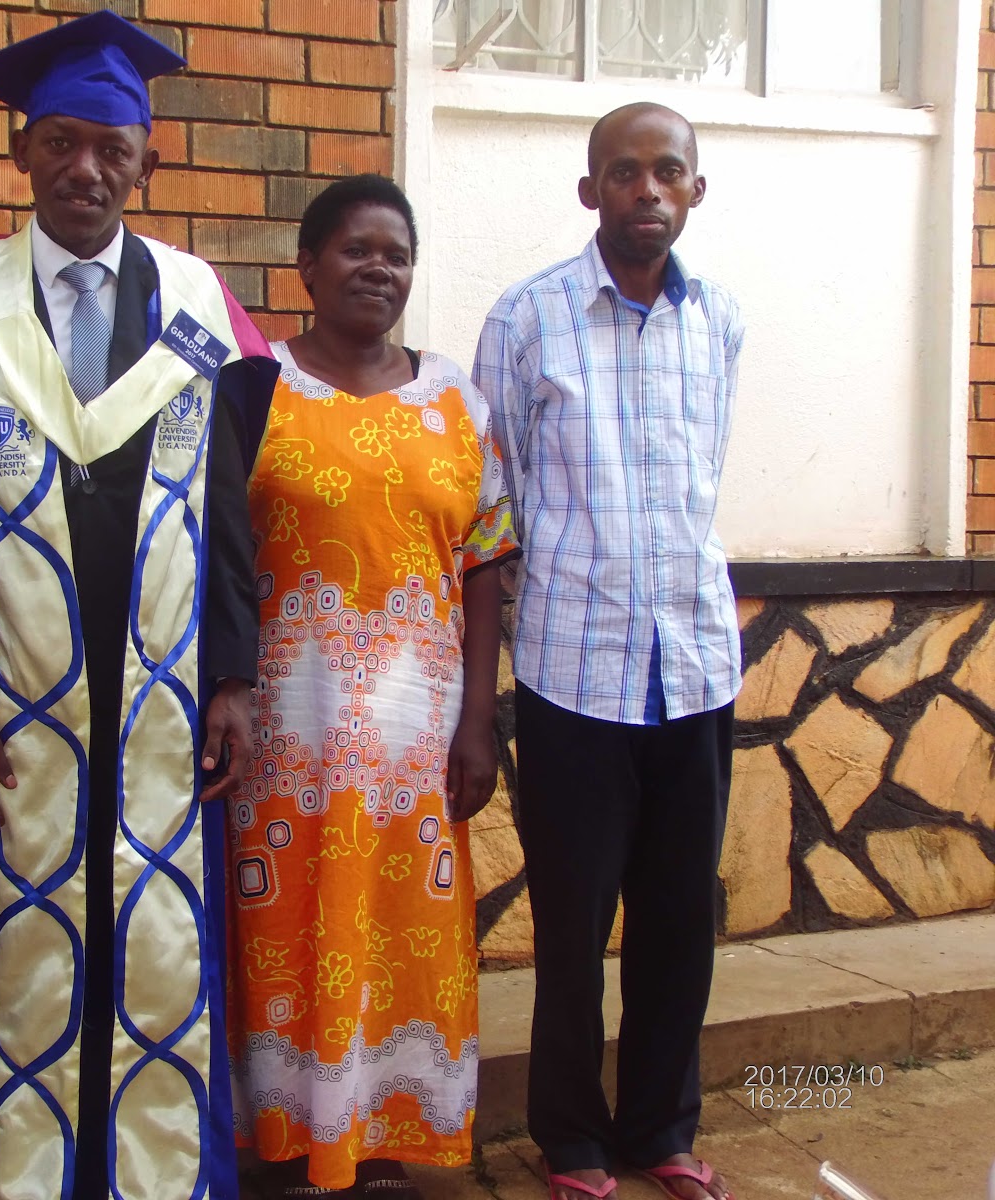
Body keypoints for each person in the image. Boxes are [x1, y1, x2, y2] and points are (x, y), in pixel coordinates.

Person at [0, 11, 278, 1199]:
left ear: (146, 159)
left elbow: (228, 517)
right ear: (23, 153)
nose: (85, 169)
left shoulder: (205, 306)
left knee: (157, 946)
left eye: (111, 146)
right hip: (15, 694)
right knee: (17, 951)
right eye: (60, 143)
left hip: (159, 697)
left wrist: (235, 677)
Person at [472, 103, 743, 1200]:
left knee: (682, 917)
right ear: (590, 192)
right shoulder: (529, 317)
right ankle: (572, 1140)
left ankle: (661, 1132)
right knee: (573, 928)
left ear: (693, 191)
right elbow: (498, 505)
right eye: (623, 173)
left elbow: (701, 478)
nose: (646, 191)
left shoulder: (718, 319)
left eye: (666, 172)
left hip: (694, 663)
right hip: (572, 670)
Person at [228, 175, 519, 1198]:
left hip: (414, 738)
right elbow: (215, 551)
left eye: (395, 252)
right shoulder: (252, 385)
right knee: (283, 926)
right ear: (306, 267)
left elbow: (484, 562)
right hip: (284, 737)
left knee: (404, 927)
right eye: (355, 249)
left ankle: (386, 1136)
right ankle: (281, 1141)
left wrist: (478, 718)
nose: (378, 268)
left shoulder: (455, 400)